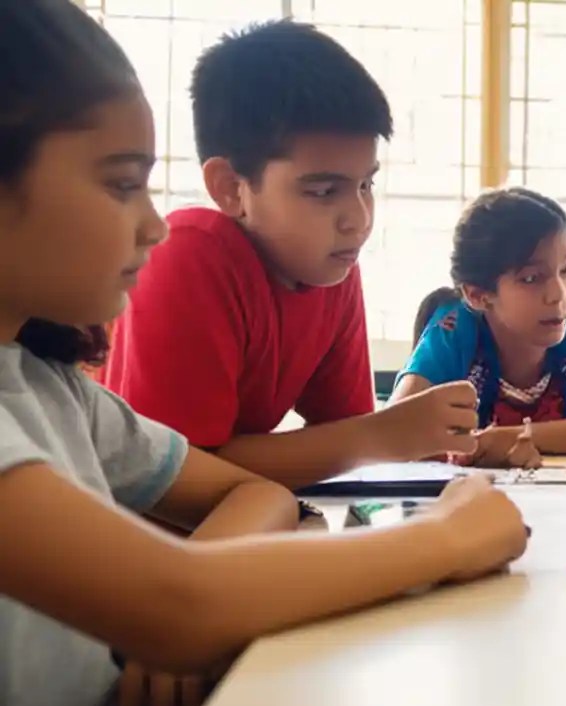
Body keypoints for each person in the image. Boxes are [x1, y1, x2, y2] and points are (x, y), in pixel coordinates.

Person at [0, 3, 526, 706]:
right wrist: (448, 536)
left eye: (366, 183)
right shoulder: (190, 258)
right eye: (122, 184)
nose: (153, 223)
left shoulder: (55, 392)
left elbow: (254, 499)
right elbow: (179, 601)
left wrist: (194, 593)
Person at [102, 20, 473, 486]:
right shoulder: (189, 254)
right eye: (322, 191)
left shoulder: (328, 267)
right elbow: (171, 478)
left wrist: (382, 436)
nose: (357, 218)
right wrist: (381, 436)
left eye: (366, 184)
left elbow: (341, 432)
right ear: (231, 188)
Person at [393, 188, 566, 466]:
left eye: (565, 270)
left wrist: (523, 436)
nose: (558, 294)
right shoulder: (454, 329)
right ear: (478, 295)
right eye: (532, 278)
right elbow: (394, 429)